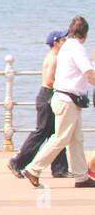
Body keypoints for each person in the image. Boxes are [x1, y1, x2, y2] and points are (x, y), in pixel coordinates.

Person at [23, 16, 95, 189]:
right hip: (67, 99)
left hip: (65, 98)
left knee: (76, 139)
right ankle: (33, 168)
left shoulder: (66, 47)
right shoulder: (77, 48)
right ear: (85, 33)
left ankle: (81, 176)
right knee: (60, 138)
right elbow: (89, 72)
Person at [7, 30, 72, 179]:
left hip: (48, 96)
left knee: (56, 132)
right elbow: (49, 80)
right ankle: (17, 162)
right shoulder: (54, 58)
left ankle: (60, 168)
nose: (65, 42)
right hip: (48, 96)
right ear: (56, 43)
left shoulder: (55, 56)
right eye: (63, 40)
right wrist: (64, 86)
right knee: (42, 132)